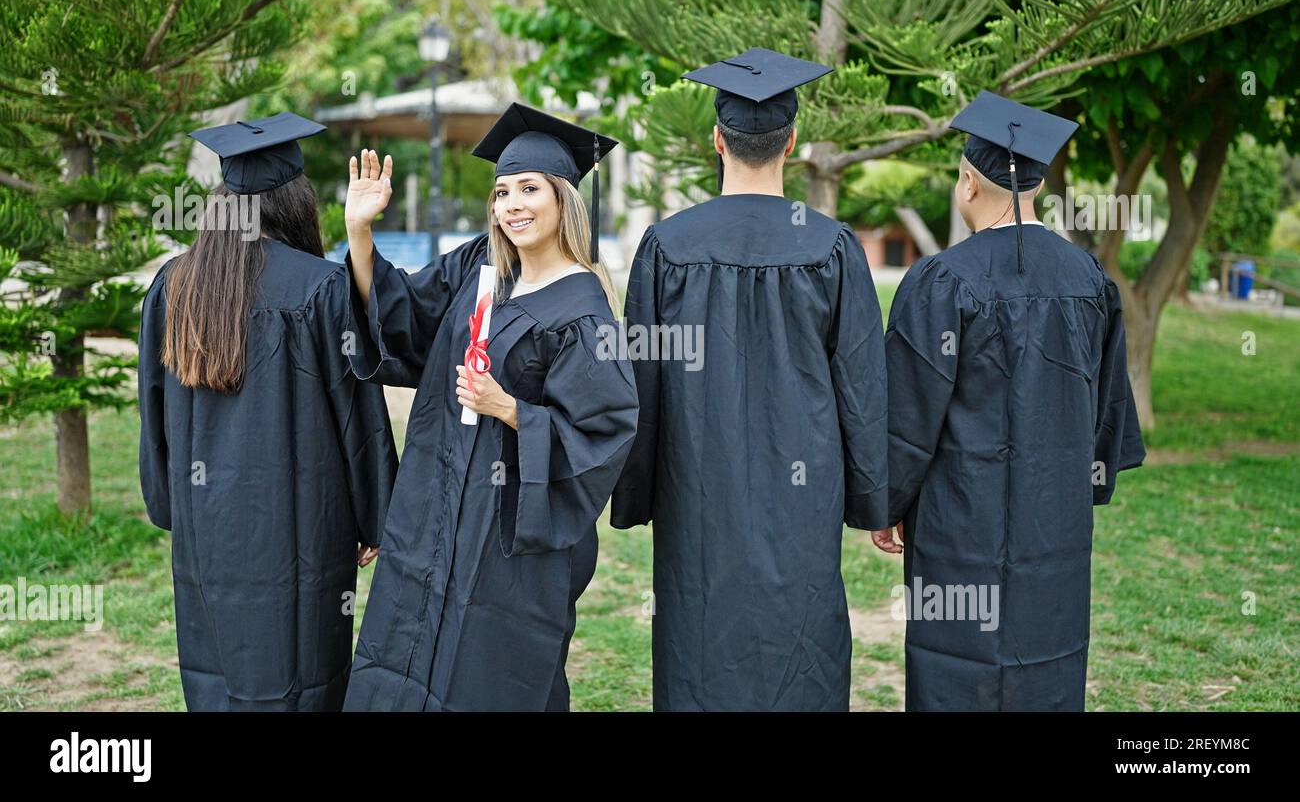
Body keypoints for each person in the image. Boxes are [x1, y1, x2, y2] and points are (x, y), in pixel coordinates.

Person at [611, 48, 891, 711]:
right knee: (800, 625)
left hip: (695, 487)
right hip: (805, 487)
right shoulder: (829, 245)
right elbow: (862, 382)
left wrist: (636, 491)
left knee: (700, 634)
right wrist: (877, 499)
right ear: (791, 142)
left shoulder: (667, 245)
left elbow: (640, 385)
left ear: (716, 140)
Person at [340, 103, 639, 711]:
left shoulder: (584, 314)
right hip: (432, 512)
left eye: (529, 189)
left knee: (486, 674)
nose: (512, 205)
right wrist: (360, 231)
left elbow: (604, 433)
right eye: (502, 192)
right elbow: (400, 315)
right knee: (402, 654)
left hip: (507, 540)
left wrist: (512, 411)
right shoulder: (480, 271)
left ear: (563, 200)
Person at [872, 90, 1146, 711]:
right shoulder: (1090, 281)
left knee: (957, 664)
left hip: (955, 525)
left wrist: (888, 501)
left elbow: (910, 416)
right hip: (1056, 524)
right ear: (1039, 187)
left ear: (968, 183)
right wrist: (1087, 486)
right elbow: (1107, 410)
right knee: (1047, 658)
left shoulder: (941, 281)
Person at [138, 112, 398, 711]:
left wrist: (170, 501)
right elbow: (357, 414)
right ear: (296, 202)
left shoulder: (172, 286)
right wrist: (372, 514)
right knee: (300, 672)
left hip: (207, 529)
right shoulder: (321, 289)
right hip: (305, 530)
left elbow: (154, 417)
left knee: (215, 673)